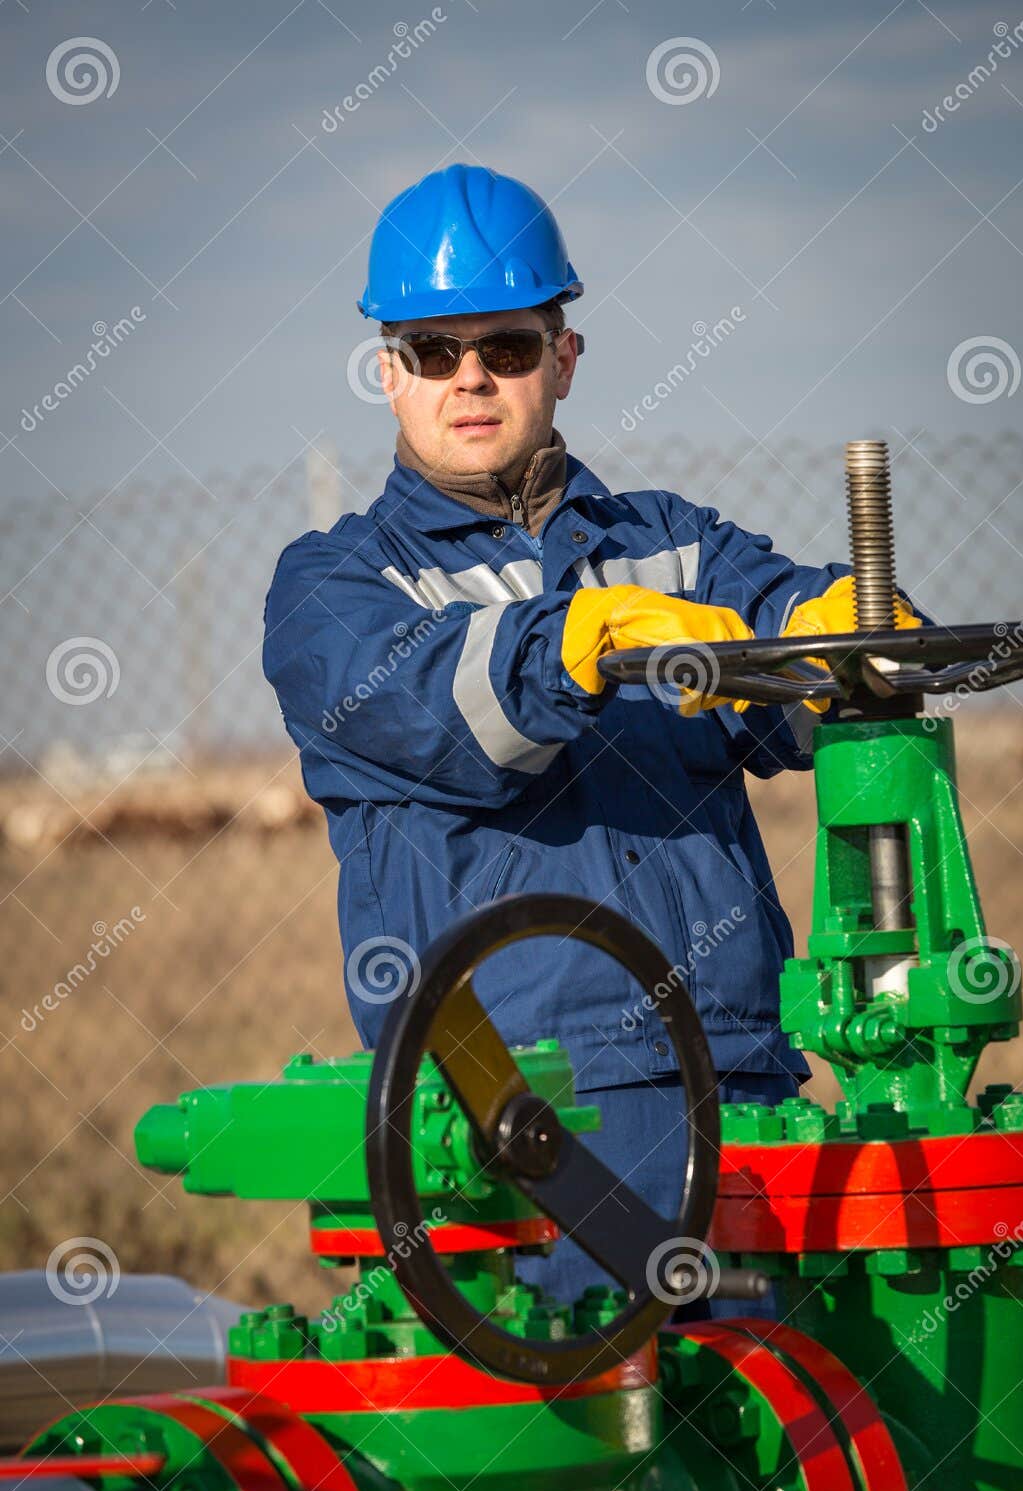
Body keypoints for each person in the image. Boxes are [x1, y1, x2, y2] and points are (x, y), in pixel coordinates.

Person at [262, 163, 917, 1310]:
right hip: (523, 1119)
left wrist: (841, 639)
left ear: (561, 359)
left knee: (795, 1438)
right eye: (431, 352)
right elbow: (435, 704)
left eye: (506, 347)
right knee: (599, 1469)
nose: (470, 378)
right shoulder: (338, 587)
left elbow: (780, 645)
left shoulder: (670, 545)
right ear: (388, 373)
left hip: (744, 1078)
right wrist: (578, 637)